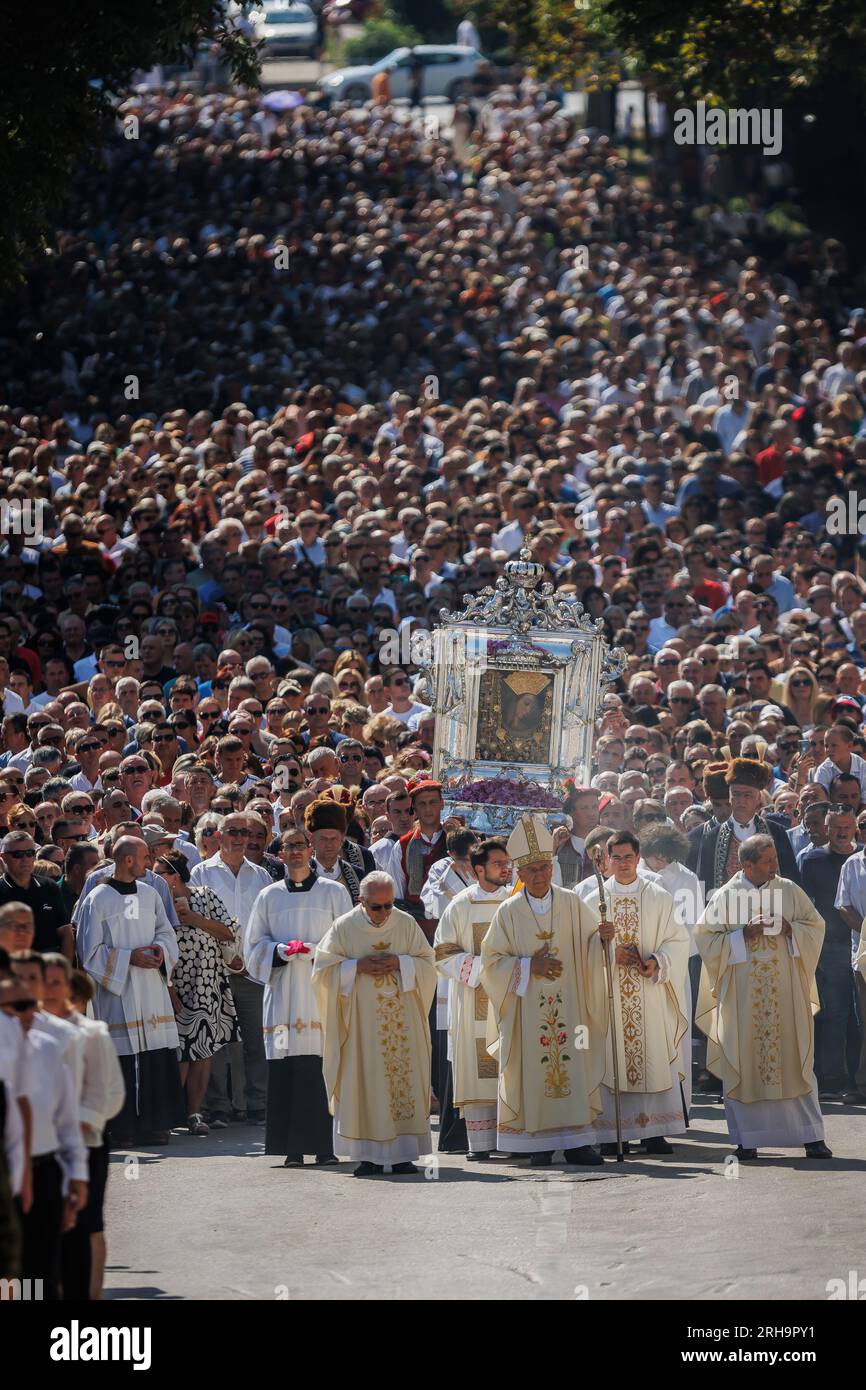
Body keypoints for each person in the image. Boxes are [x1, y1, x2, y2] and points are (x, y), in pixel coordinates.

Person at [479, 815, 609, 1166]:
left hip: (573, 1007)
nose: (540, 874)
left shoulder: (570, 902)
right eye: (532, 869)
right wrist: (526, 966)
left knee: (576, 1062)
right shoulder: (507, 913)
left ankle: (578, 1141)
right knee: (534, 1068)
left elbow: (590, 945)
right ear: (519, 874)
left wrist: (603, 939)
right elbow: (490, 964)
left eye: (544, 867)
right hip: (527, 1011)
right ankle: (537, 1143)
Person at [694, 834, 831, 1161]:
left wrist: (790, 929)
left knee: (795, 1058)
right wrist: (743, 935)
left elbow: (816, 925)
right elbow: (705, 939)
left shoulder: (788, 890)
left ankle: (811, 1137)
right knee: (745, 1059)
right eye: (767, 861)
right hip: (743, 997)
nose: (775, 866)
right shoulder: (727, 896)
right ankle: (748, 1138)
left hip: (785, 995)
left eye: (774, 860)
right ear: (747, 864)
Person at [313, 871, 436, 1177]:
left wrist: (401, 963)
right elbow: (322, 972)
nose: (383, 913)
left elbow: (428, 965)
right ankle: (367, 1156)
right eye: (376, 907)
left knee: (401, 1079)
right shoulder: (344, 927)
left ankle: (403, 1155)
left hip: (403, 1023)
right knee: (365, 1081)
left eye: (388, 905)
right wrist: (357, 967)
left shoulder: (405, 923)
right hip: (361, 1025)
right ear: (361, 901)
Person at [244, 827, 351, 1167]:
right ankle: (290, 1148)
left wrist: (314, 950)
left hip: (321, 994)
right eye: (287, 846)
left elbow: (347, 941)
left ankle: (325, 1147)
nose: (294, 852)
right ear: (280, 853)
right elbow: (252, 946)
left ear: (310, 850)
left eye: (299, 846)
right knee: (287, 1069)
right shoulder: (269, 896)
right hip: (284, 993)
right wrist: (279, 950)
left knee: (320, 1069)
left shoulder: (334, 893)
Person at [581, 830, 690, 1155]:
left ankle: (654, 1130)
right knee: (612, 1058)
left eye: (629, 857)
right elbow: (581, 947)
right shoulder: (593, 901)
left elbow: (678, 940)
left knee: (653, 1055)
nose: (624, 863)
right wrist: (606, 952)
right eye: (617, 857)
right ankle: (617, 1133)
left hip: (648, 992)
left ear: (638, 858)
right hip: (609, 995)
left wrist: (657, 962)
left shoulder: (658, 895)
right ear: (607, 861)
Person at [76, 836, 184, 1146]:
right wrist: (128, 958)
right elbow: (89, 951)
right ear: (127, 861)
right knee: (121, 1059)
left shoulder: (150, 894)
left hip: (151, 989)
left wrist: (162, 951)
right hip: (118, 993)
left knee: (156, 1055)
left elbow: (165, 931)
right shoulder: (97, 899)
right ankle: (122, 1128)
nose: (150, 862)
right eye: (145, 857)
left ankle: (156, 1124)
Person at [40, 954, 124, 1300]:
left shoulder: (93, 1033)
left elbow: (111, 1094)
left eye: (58, 985)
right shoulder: (27, 1032)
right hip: (40, 1147)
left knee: (87, 1226)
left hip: (85, 1142)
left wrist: (80, 1123)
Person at [4, 964, 87, 1300]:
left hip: (44, 1173)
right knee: (10, 1282)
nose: (21, 1014)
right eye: (11, 1006)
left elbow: (67, 1123)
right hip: (7, 1180)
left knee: (40, 1281)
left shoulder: (49, 1048)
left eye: (27, 1003)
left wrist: (76, 1178)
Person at [190, 813, 271, 1125]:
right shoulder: (200, 873)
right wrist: (227, 957)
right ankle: (218, 1106)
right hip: (214, 971)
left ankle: (258, 1103)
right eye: (233, 832)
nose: (240, 838)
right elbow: (196, 921)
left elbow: (265, 924)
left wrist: (247, 960)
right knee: (215, 1042)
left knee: (257, 1042)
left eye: (245, 832)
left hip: (252, 971)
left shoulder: (262, 876)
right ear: (218, 835)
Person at [433, 837, 511, 1159]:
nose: (506, 869)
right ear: (479, 869)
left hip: (509, 1000)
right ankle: (479, 1144)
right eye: (498, 864)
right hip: (474, 1000)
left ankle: (512, 1139)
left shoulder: (515, 902)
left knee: (511, 1067)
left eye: (507, 863)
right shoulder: (460, 905)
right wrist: (485, 968)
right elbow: (442, 952)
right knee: (478, 1068)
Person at [153, 850, 239, 1135]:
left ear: (174, 875)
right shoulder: (156, 901)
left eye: (160, 873)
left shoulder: (206, 895)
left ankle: (193, 1114)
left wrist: (192, 918)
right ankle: (167, 1115)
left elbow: (228, 932)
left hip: (207, 983)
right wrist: (169, 987)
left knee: (202, 1051)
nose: (154, 878)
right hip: (174, 987)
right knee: (179, 1052)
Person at [687, 757, 800, 897]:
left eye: (747, 795)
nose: (741, 800)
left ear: (758, 798)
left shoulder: (776, 832)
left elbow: (792, 881)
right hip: (729, 913)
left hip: (770, 911)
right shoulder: (712, 837)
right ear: (730, 797)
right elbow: (704, 886)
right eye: (736, 794)